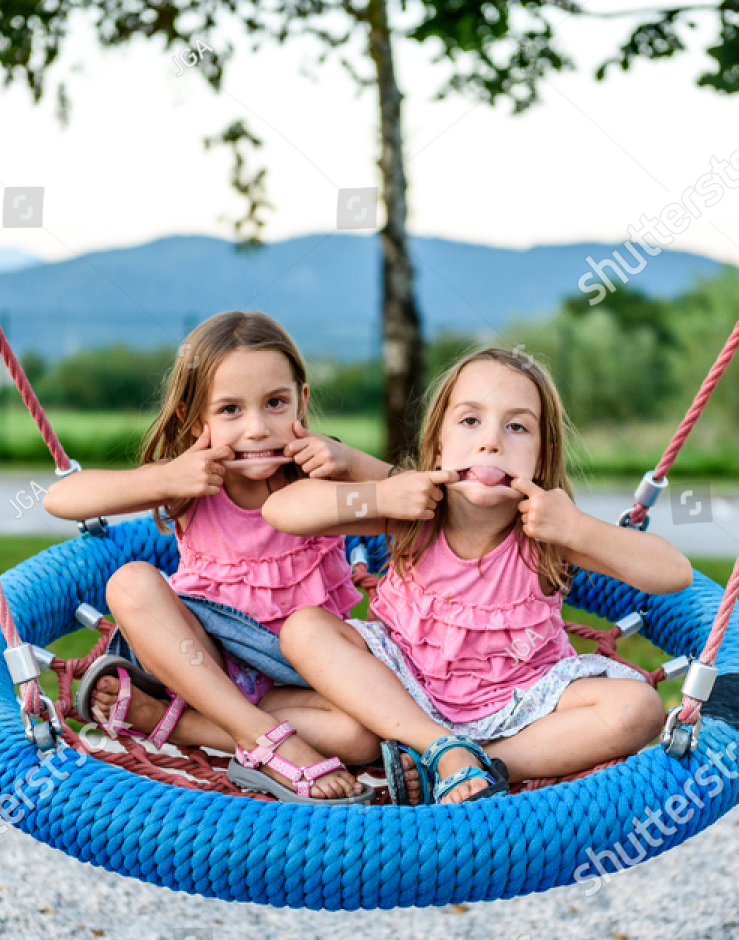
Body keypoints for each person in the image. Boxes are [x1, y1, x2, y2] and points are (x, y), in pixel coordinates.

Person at [265, 347, 694, 805]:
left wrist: (578, 528)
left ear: (542, 459)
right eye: (471, 421)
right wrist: (379, 497)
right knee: (305, 628)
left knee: (639, 708)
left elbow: (673, 573)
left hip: (520, 703)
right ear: (437, 446)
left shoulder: (548, 530)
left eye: (517, 427)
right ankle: (437, 747)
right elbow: (282, 510)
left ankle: (479, 764)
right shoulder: (412, 508)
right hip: (403, 687)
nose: (492, 442)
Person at [42, 311, 390, 804]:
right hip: (200, 661)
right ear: (193, 417)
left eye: (275, 403)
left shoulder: (322, 475)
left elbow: (418, 508)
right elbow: (61, 499)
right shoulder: (192, 481)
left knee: (360, 737)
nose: (256, 429)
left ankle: (179, 725)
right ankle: (262, 736)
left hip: (293, 673)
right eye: (230, 409)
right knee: (130, 584)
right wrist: (163, 481)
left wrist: (353, 465)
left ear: (302, 400)